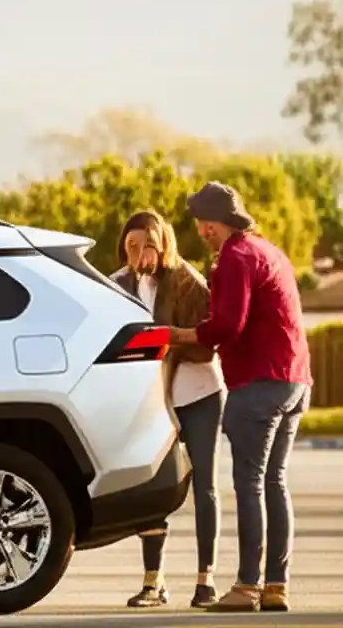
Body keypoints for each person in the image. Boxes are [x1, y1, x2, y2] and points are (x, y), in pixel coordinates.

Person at [169, 181, 312, 613]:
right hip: (295, 380)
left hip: (258, 384)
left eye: (201, 222)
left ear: (213, 223)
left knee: (248, 483)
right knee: (274, 481)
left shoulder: (234, 257)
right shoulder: (269, 251)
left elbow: (228, 325)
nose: (199, 229)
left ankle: (247, 586)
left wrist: (180, 335)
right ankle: (275, 586)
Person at [110, 211, 223, 609]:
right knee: (155, 488)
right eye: (132, 247)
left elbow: (208, 342)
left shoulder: (186, 280)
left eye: (147, 245)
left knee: (204, 486)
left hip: (199, 394)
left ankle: (206, 580)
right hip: (154, 400)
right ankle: (152, 583)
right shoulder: (120, 285)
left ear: (163, 243)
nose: (140, 254)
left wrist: (164, 341)